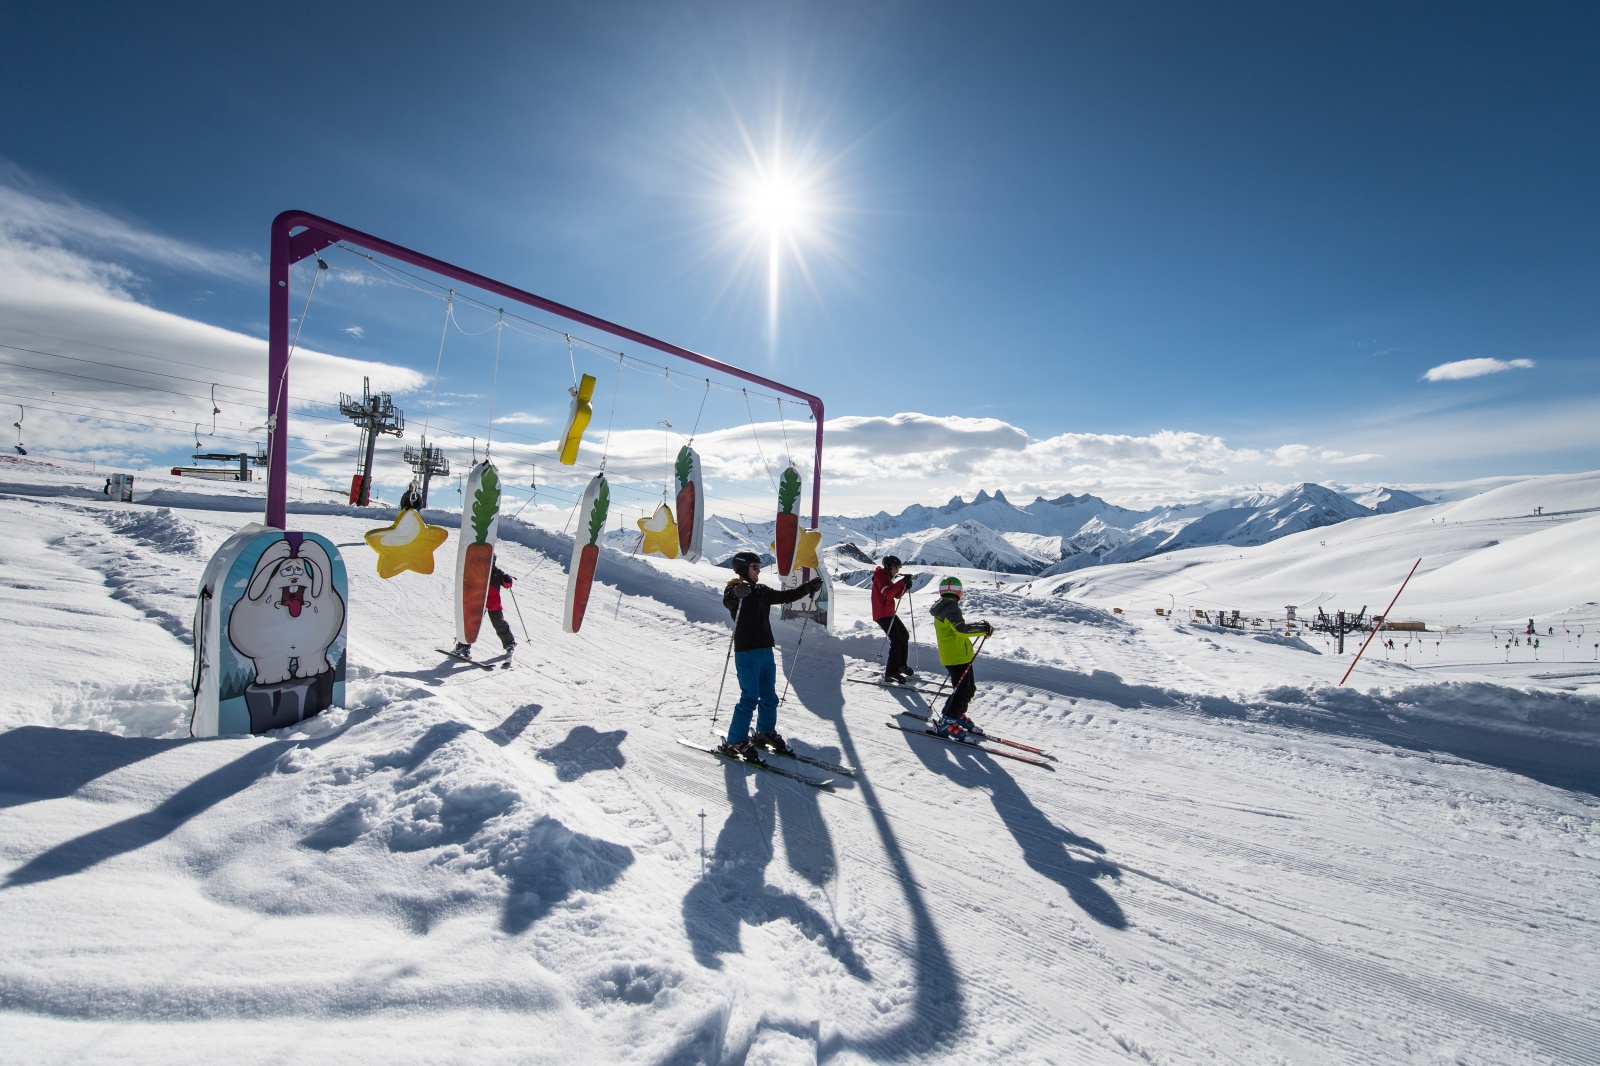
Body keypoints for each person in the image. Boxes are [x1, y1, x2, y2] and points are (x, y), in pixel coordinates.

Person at [718, 551, 823, 762]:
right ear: (743, 569)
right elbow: (728, 600)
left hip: (766, 650)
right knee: (749, 698)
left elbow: (785, 597)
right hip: (746, 652)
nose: (759, 570)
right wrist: (738, 592)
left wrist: (807, 588)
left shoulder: (762, 590)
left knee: (769, 696)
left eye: (759, 566)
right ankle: (735, 741)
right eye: (755, 567)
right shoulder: (735, 588)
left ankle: (765, 732)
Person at [929, 575, 993, 738]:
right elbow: (961, 630)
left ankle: (955, 715)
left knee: (968, 689)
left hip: (958, 656)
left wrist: (980, 627)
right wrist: (983, 629)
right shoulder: (950, 608)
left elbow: (958, 627)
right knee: (962, 691)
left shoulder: (944, 606)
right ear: (959, 592)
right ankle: (948, 722)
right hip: (956, 657)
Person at [871, 554, 915, 682]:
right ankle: (890, 673)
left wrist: (905, 587)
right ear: (890, 566)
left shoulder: (887, 577)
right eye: (896, 568)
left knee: (904, 636)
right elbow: (888, 593)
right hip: (882, 614)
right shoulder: (880, 577)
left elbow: (895, 596)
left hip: (889, 613)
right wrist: (902, 582)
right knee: (897, 641)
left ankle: (901, 666)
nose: (897, 571)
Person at [484, 558, 516, 656]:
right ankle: (464, 644)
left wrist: (508, 580)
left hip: (493, 604)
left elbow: (507, 585)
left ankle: (509, 643)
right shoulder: (478, 570)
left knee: (499, 624)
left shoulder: (497, 572)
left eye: (493, 560)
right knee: (470, 623)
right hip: (479, 602)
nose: (491, 563)